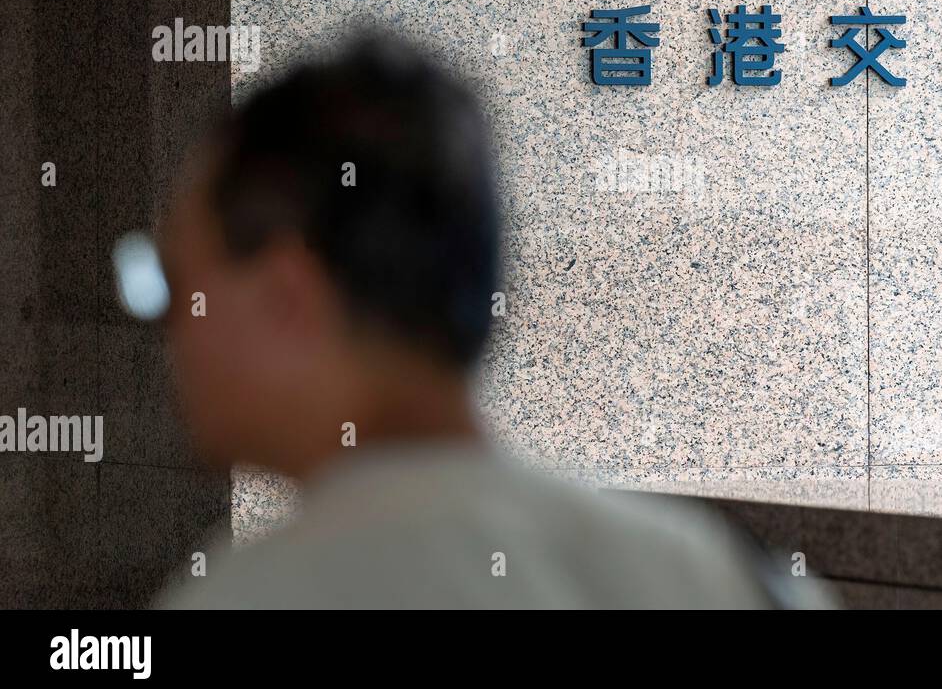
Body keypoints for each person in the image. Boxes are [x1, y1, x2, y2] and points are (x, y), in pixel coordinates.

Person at [148, 30, 825, 609]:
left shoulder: (243, 600)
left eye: (177, 284)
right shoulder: (730, 581)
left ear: (286, 296)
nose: (169, 329)